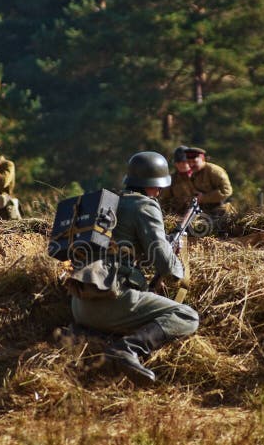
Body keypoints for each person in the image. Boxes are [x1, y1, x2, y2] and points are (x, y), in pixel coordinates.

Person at [66, 151, 199, 383]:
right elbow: (165, 262)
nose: (159, 193)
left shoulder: (108, 205)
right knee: (186, 316)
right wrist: (177, 266)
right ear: (152, 185)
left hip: (80, 306)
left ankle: (91, 336)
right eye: (158, 187)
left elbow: (119, 252)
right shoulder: (144, 205)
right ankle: (128, 349)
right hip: (111, 302)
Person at [159, 145, 234, 218]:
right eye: (178, 162)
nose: (190, 164)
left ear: (202, 159)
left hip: (216, 212)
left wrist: (203, 198)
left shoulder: (212, 171)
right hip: (187, 214)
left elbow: (226, 191)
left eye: (184, 162)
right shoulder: (173, 179)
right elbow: (164, 200)